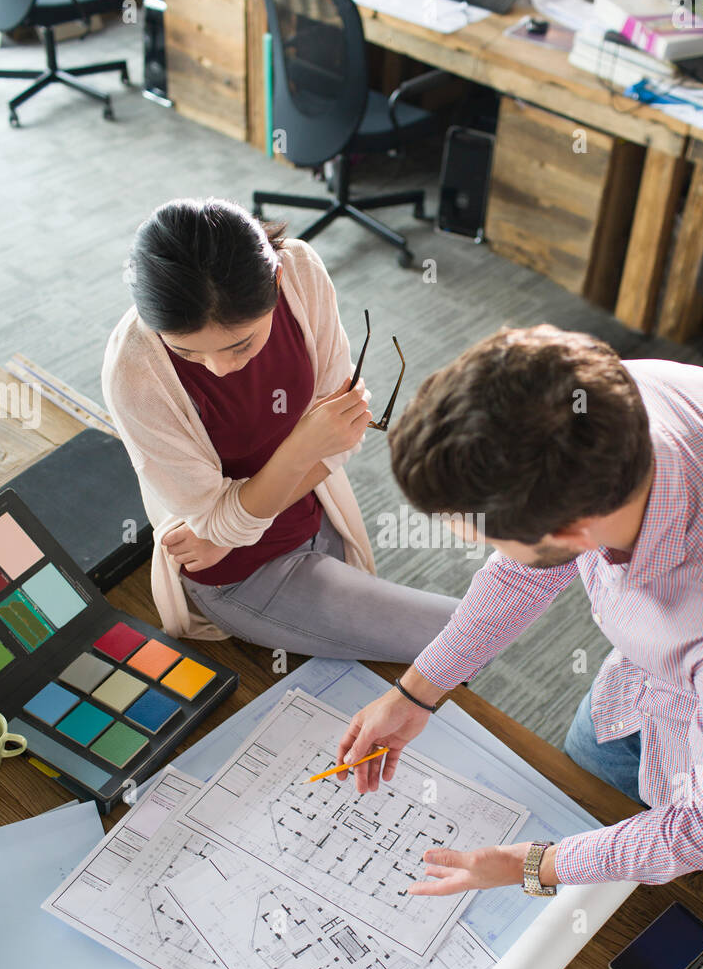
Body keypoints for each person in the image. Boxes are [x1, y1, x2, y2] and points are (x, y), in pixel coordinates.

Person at [336, 325, 703, 894]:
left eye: (492, 540)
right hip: (633, 695)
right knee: (572, 800)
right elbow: (526, 568)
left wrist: (531, 868)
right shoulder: (594, 404)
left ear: (574, 529)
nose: (490, 554)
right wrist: (417, 691)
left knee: (681, 915)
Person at [102, 198, 457, 657]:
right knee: (457, 635)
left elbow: (342, 441)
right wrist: (302, 449)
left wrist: (227, 525)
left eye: (240, 344)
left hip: (312, 513)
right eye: (188, 353)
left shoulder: (301, 271)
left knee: (468, 634)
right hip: (238, 572)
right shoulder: (135, 370)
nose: (219, 369)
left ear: (277, 280)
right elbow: (217, 518)